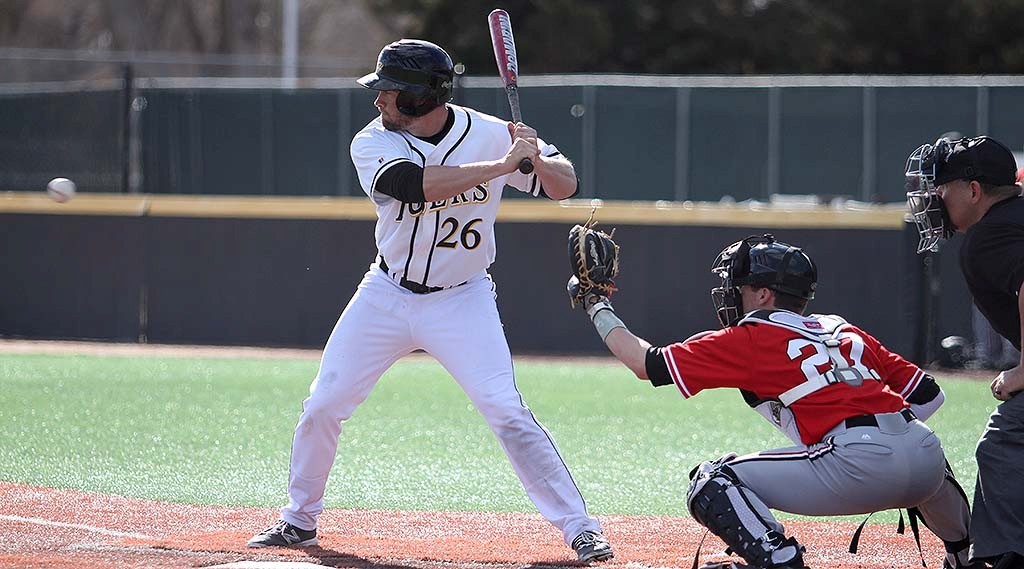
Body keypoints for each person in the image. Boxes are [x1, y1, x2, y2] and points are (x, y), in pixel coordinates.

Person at [247, 39, 614, 563]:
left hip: (462, 300)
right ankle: (299, 519)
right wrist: (500, 165)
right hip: (386, 294)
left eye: (389, 92)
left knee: (506, 411)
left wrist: (534, 159)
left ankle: (580, 527)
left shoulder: (491, 133)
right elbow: (414, 185)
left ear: (421, 96)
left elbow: (565, 186)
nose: (379, 101)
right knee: (324, 404)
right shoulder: (373, 141)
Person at [570, 233, 976, 569]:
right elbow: (928, 394)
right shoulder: (841, 328)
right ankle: (965, 554)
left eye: (740, 286)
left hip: (857, 464)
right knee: (921, 440)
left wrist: (595, 304)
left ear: (763, 294)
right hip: (922, 458)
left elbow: (647, 363)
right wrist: (888, 440)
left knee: (711, 480)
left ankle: (778, 558)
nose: (731, 292)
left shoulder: (753, 336)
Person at [906, 135, 1024, 568]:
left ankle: (1001, 558)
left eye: (942, 187)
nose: (932, 197)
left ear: (973, 191)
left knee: (1005, 441)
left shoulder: (989, 236)